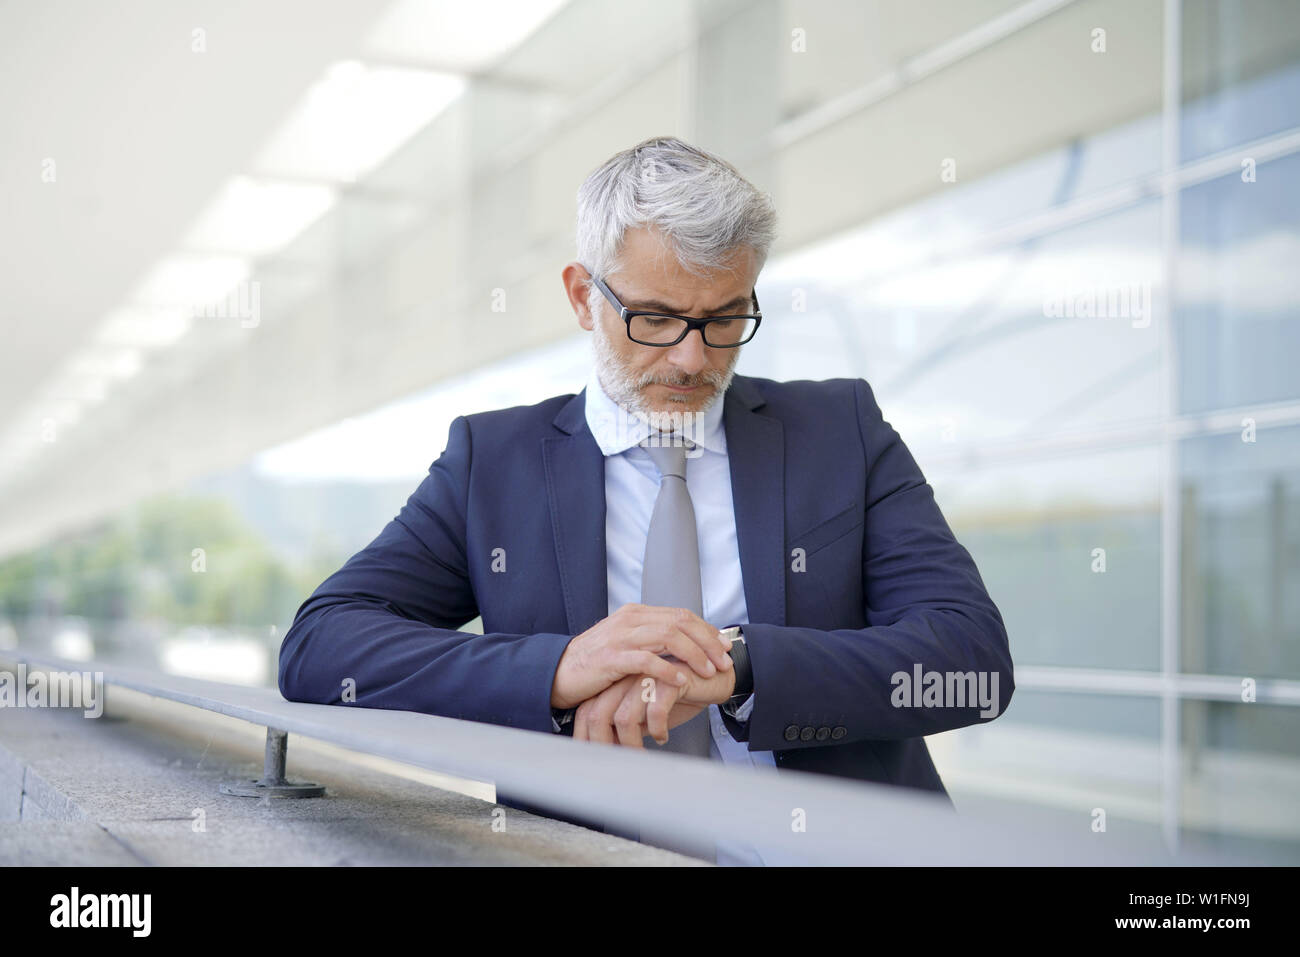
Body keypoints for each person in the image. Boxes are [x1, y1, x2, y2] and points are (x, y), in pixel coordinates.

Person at [278, 135, 1015, 862]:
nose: (693, 358)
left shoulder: (839, 430)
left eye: (724, 318)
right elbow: (323, 642)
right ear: (580, 296)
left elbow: (973, 661)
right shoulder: (492, 464)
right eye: (656, 319)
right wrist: (561, 667)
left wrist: (743, 668)